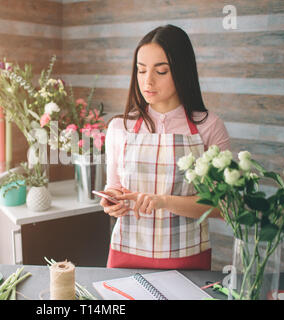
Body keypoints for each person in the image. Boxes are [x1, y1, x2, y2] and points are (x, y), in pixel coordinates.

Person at [100, 25, 230, 270]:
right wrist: (111, 202)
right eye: (141, 70)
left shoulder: (210, 127)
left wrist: (162, 201)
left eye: (161, 71)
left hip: (187, 258)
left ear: (182, 71)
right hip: (126, 254)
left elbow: (221, 206)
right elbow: (114, 187)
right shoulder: (119, 127)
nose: (147, 80)